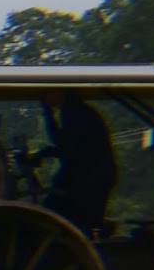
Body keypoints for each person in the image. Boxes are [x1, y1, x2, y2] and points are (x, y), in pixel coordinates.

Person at [32, 90, 118, 235]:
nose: (44, 97)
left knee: (55, 208)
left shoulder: (76, 113)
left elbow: (69, 148)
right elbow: (70, 147)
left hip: (89, 178)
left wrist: (48, 115)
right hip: (90, 175)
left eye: (47, 93)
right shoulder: (77, 112)